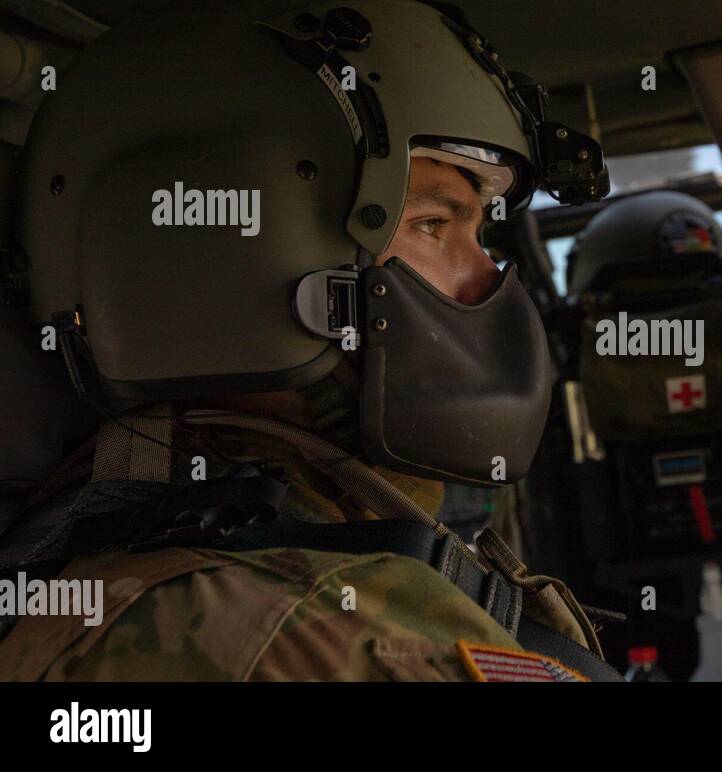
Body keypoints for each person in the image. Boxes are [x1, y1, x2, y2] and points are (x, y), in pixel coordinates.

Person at [0, 0, 618, 682]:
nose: (486, 279)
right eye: (436, 224)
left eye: (484, 237)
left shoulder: (171, 553)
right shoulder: (317, 641)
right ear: (252, 257)